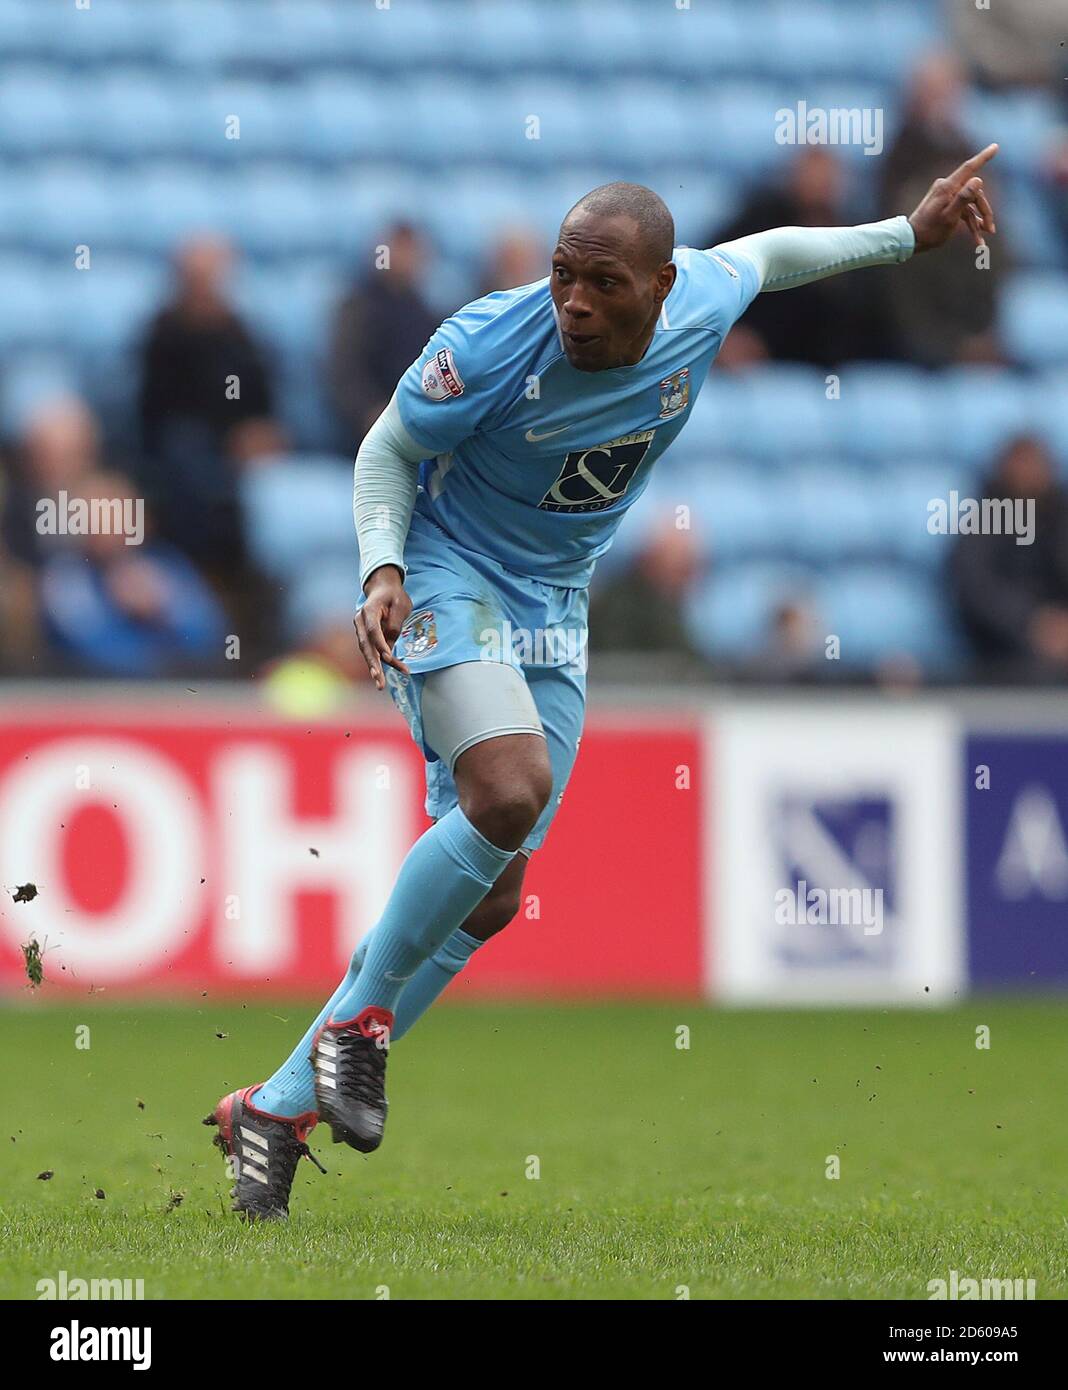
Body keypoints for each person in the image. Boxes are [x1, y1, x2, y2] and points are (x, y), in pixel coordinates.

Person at [208, 151, 999, 1220]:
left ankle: (277, 1105)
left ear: (662, 288)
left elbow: (770, 255)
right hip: (452, 573)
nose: (575, 303)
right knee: (507, 789)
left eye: (604, 284)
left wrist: (906, 233)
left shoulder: (701, 301)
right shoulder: (491, 340)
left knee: (491, 895)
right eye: (563, 274)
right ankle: (357, 1025)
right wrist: (383, 566)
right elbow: (387, 450)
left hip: (554, 606)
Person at [951, 435, 1068, 683]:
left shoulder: (1059, 518)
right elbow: (975, 589)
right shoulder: (982, 522)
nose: (1027, 473)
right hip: (1000, 652)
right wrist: (1032, 624)